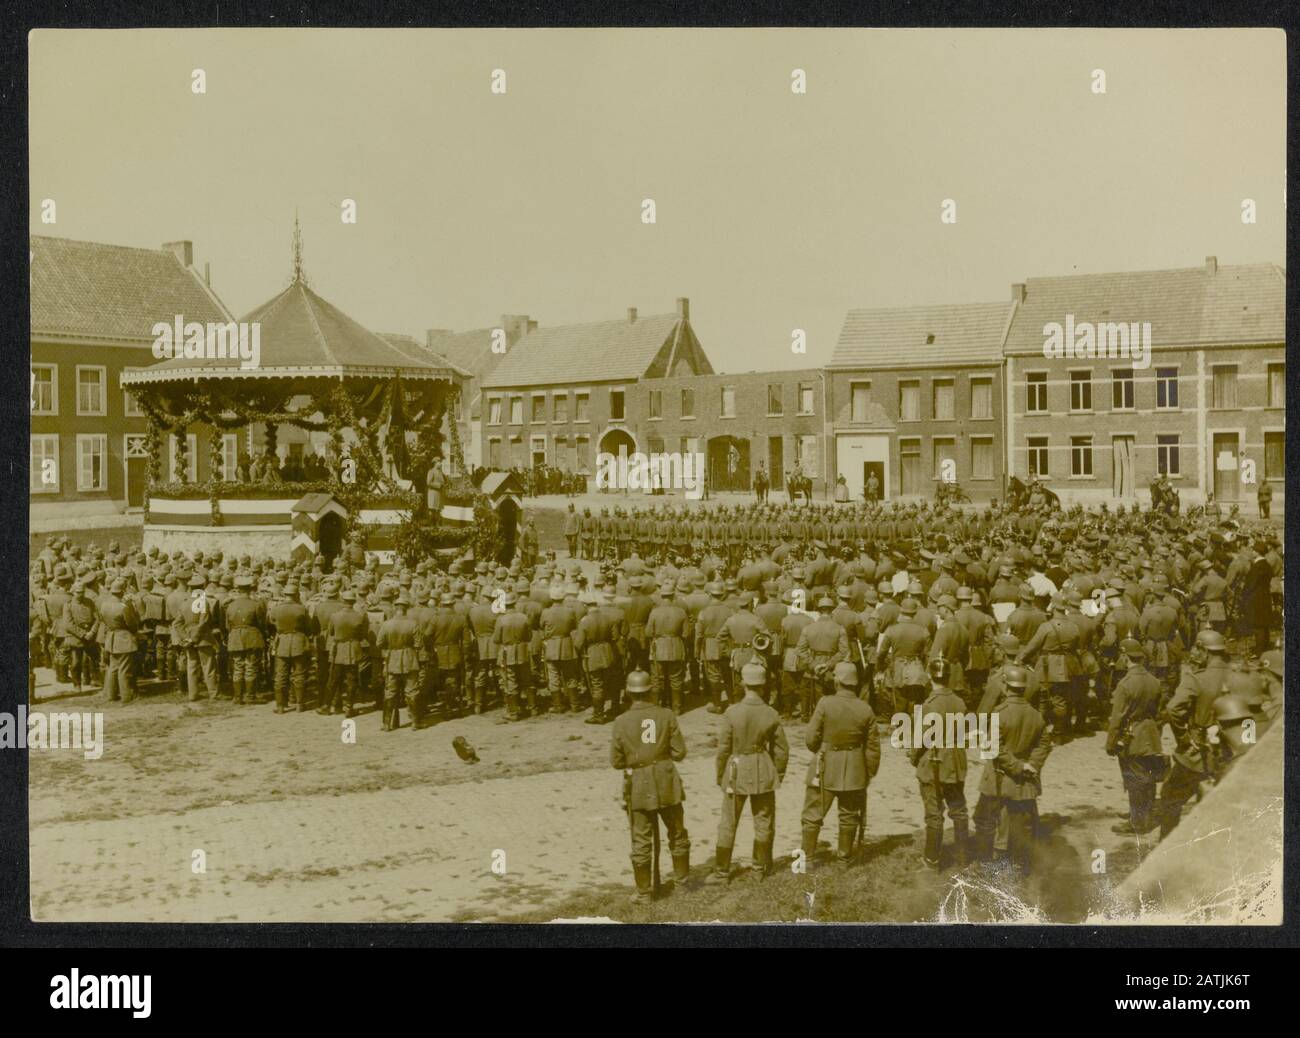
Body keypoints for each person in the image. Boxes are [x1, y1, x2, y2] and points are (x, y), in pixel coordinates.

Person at [609, 670, 690, 902]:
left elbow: (616, 762)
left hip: (639, 783)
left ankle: (644, 893)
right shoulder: (666, 715)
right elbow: (680, 752)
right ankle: (682, 885)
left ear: (628, 693)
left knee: (641, 838)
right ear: (650, 690)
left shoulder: (621, 721)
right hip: (666, 780)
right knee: (677, 831)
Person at [709, 662, 789, 882]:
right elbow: (781, 750)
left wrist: (720, 774)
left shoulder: (731, 712)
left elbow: (724, 748)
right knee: (763, 819)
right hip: (763, 768)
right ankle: (759, 869)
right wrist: (777, 774)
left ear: (744, 684)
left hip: (735, 769)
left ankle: (721, 872)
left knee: (728, 821)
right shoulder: (771, 713)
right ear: (763, 686)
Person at [972, 664, 1051, 876]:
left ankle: (990, 863)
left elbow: (995, 748)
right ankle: (1016, 862)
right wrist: (1030, 765)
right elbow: (1044, 745)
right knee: (1018, 818)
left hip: (1000, 777)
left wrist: (1016, 767)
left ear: (1006, 687)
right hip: (1025, 778)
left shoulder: (1000, 714)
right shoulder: (1036, 716)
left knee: (986, 818)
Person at [800, 662, 879, 866]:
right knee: (849, 814)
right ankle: (844, 857)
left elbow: (811, 739)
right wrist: (868, 773)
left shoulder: (825, 703)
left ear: (838, 681)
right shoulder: (866, 709)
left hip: (826, 764)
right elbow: (873, 748)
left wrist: (821, 748)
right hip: (855, 767)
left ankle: (807, 858)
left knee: (813, 813)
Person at [911, 658, 969, 870]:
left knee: (934, 812)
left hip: (933, 760)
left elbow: (920, 740)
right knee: (959, 809)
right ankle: (963, 858)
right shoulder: (960, 702)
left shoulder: (928, 705)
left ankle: (931, 860)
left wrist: (914, 758)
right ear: (948, 677)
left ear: (929, 676)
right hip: (955, 760)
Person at [1105, 640, 1165, 836]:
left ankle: (1137, 823)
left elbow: (1117, 718)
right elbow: (1160, 711)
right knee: (1149, 777)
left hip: (1131, 736)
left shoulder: (1125, 684)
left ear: (1124, 656)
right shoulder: (1154, 681)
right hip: (1151, 733)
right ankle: (1144, 815)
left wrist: (1111, 742)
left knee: (1134, 780)